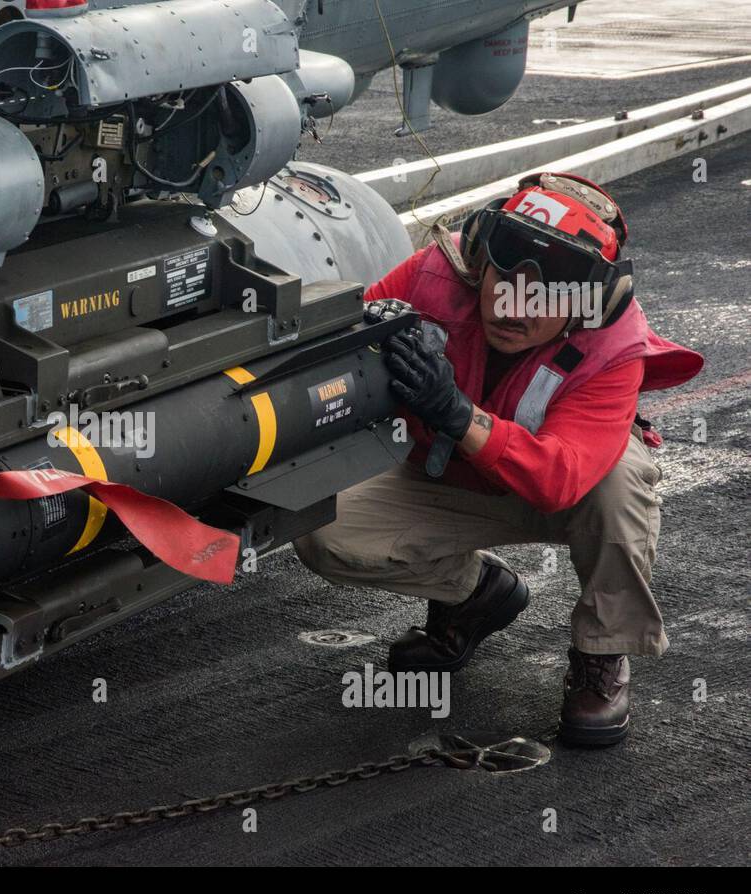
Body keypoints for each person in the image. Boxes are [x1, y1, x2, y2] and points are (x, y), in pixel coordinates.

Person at [294, 172, 703, 745]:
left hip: (563, 491)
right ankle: (475, 595)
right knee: (322, 530)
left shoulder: (614, 348)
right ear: (478, 260)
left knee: (620, 487)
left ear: (587, 303)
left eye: (546, 294)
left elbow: (561, 480)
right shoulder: (429, 278)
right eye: (505, 278)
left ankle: (602, 654)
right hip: (447, 476)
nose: (516, 307)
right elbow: (339, 348)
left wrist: (458, 415)